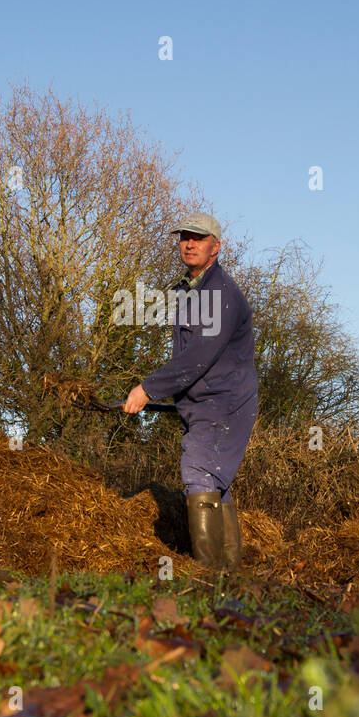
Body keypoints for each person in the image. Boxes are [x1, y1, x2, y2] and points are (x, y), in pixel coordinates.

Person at [123, 212, 259, 571]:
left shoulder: (220, 293)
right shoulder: (187, 289)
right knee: (215, 481)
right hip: (202, 402)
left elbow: (198, 357)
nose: (189, 243)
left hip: (225, 402)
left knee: (198, 468)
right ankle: (228, 577)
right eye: (184, 237)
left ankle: (208, 576)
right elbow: (186, 355)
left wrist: (148, 389)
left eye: (198, 238)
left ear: (216, 246)